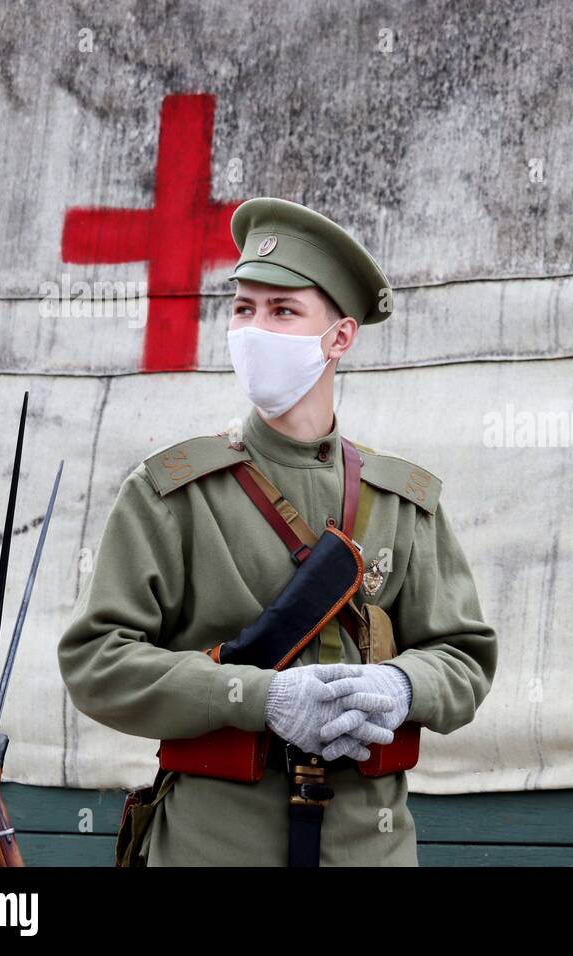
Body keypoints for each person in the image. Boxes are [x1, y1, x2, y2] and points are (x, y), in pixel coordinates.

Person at [58, 197, 498, 866]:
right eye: (243, 309)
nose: (253, 328)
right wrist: (258, 698)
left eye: (282, 310)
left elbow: (464, 657)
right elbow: (96, 662)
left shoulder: (404, 502)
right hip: (213, 845)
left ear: (340, 337)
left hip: (366, 849)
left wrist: (404, 685)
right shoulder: (171, 493)